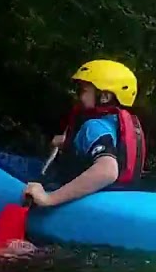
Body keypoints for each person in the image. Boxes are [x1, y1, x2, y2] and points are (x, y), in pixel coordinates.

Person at [21, 59, 146, 208]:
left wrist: (48, 199)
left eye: (83, 91)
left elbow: (108, 171)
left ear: (105, 96)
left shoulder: (93, 126)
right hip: (116, 198)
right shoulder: (114, 122)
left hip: (74, 194)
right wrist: (68, 142)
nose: (78, 96)